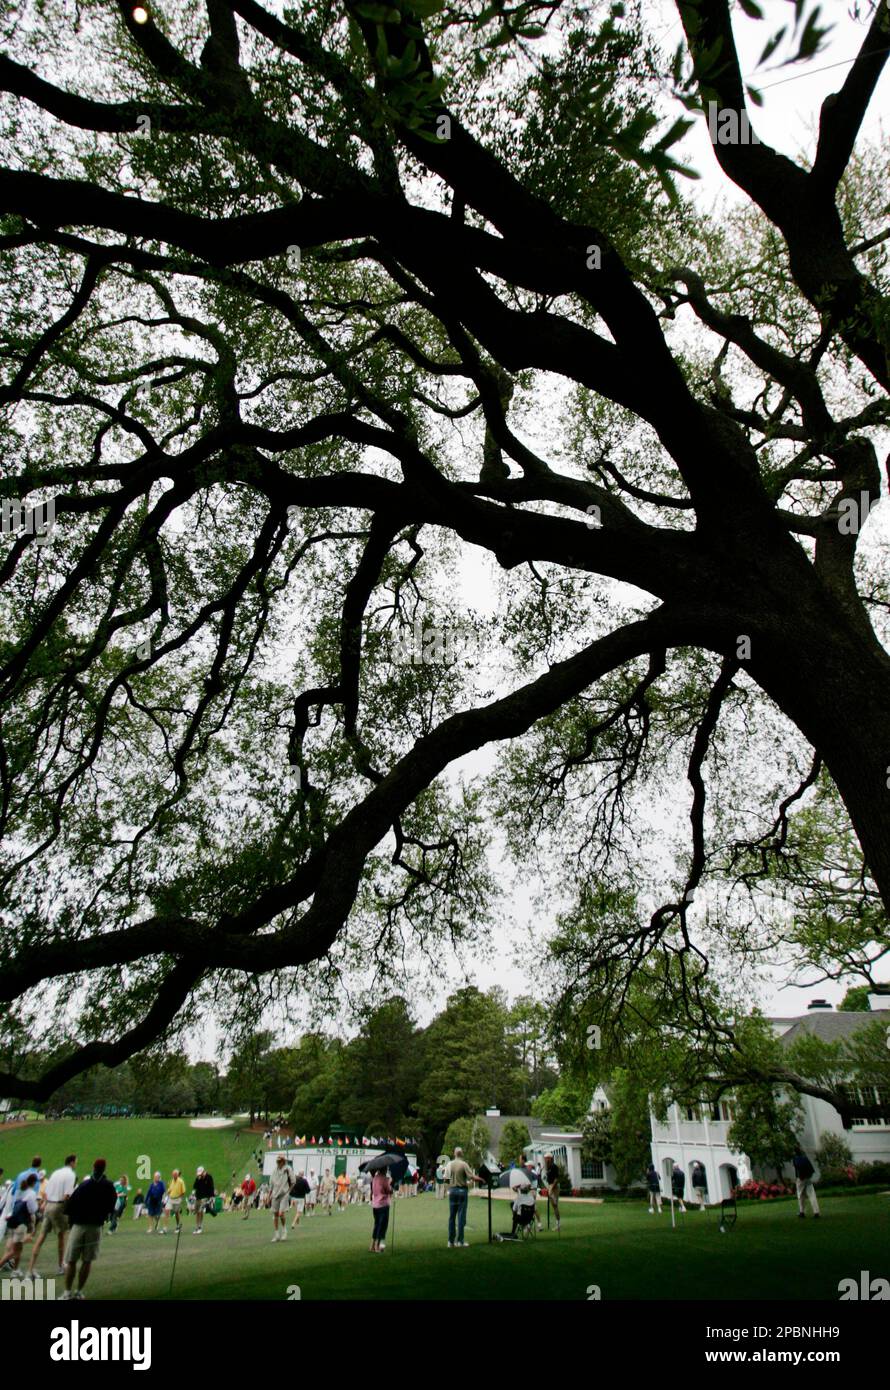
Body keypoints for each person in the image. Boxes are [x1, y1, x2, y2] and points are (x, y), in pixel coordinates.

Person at [60, 1157, 117, 1301]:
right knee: (87, 1260)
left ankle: (67, 1292)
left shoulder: (84, 1185)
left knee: (71, 1260)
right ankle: (79, 1291)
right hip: (96, 1227)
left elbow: (70, 1206)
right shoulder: (109, 1186)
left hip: (79, 1225)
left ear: (93, 1167)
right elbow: (112, 1206)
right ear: (104, 1169)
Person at [27, 1154, 77, 1276]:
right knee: (62, 1236)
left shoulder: (55, 1173)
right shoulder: (71, 1174)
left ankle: (30, 1269)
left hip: (48, 1205)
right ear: (71, 1163)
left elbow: (46, 1193)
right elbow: (67, 1195)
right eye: (75, 1162)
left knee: (41, 1237)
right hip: (58, 1206)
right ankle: (61, 1265)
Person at [0, 1172, 40, 1275]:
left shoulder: (19, 1190)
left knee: (18, 1249)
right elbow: (33, 1209)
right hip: (21, 1224)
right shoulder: (31, 1193)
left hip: (13, 1221)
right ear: (34, 1182)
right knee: (14, 1250)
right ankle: (5, 1266)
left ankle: (15, 1270)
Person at [444, 1146, 480, 1248]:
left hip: (452, 1191)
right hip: (462, 1192)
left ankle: (450, 1241)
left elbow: (445, 1179)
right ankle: (460, 1241)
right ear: (462, 1154)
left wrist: (448, 1190)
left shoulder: (449, 1164)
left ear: (454, 1153)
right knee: (461, 1217)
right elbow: (471, 1177)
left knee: (452, 1217)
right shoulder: (464, 1164)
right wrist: (481, 1179)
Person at [269, 1155, 294, 1241]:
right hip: (275, 1194)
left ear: (283, 1161)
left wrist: (288, 1191)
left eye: (280, 1161)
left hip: (284, 1194)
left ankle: (284, 1230)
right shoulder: (274, 1171)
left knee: (281, 1213)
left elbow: (293, 1181)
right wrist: (269, 1195)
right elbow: (271, 1183)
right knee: (275, 1214)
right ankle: (276, 1234)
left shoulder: (288, 1169)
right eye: (277, 1161)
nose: (278, 1163)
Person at [792, 1147, 820, 1219]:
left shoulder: (795, 1159)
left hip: (800, 1179)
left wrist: (800, 1177)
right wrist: (808, 1176)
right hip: (808, 1178)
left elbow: (797, 1170)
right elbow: (811, 1169)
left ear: (795, 1152)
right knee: (812, 1195)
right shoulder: (805, 1158)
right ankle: (816, 1212)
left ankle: (802, 1212)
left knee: (800, 1195)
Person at [370, 1167, 392, 1253]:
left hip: (375, 1205)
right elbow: (388, 1190)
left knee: (376, 1225)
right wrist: (391, 1186)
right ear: (384, 1170)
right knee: (382, 1226)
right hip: (383, 1204)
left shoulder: (375, 1178)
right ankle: (377, 1246)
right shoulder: (384, 1179)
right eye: (386, 1169)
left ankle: (371, 1245)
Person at [162, 1169, 186, 1233]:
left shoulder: (181, 1181)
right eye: (173, 1174)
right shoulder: (171, 1181)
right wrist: (166, 1193)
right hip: (170, 1199)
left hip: (177, 1199)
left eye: (175, 1174)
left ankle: (178, 1226)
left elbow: (183, 1191)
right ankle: (165, 1228)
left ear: (178, 1175)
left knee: (176, 1213)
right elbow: (170, 1189)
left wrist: (180, 1198)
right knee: (166, 1212)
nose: (174, 1175)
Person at [193, 1166, 215, 1232]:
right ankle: (196, 1226)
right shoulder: (198, 1178)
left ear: (203, 1171)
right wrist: (198, 1179)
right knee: (197, 1212)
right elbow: (194, 1186)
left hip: (205, 1197)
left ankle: (200, 1226)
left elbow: (211, 1187)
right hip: (198, 1197)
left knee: (200, 1211)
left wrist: (211, 1197)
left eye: (201, 1173)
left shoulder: (209, 1177)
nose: (200, 1174)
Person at [543, 1153, 561, 1231]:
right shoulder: (548, 1167)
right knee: (553, 1206)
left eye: (547, 1158)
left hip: (555, 1187)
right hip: (550, 1186)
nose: (546, 1160)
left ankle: (558, 1224)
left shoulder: (554, 1166)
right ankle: (557, 1224)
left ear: (551, 1158)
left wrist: (551, 1187)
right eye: (545, 1158)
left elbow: (556, 1179)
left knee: (555, 1205)